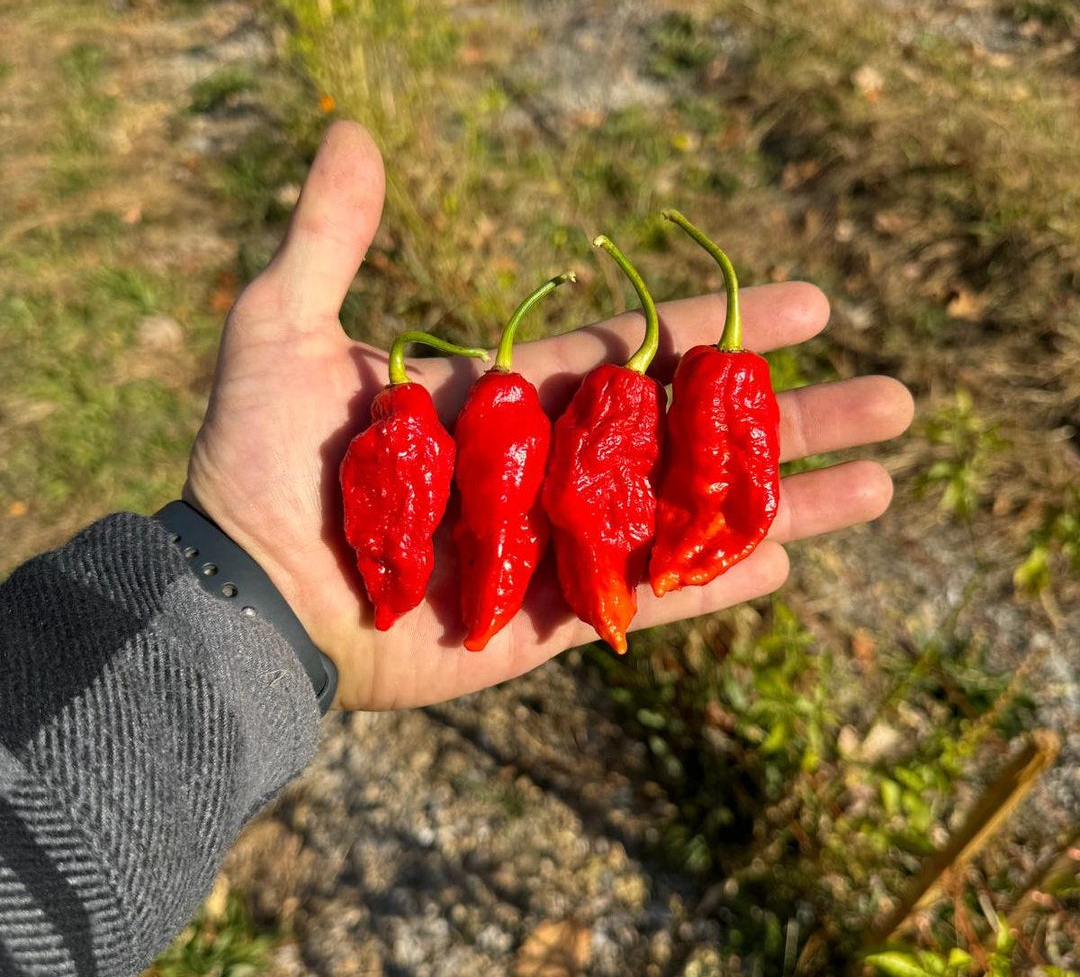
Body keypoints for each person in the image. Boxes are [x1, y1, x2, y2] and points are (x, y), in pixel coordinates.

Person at [0, 121, 914, 976]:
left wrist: (235, 580)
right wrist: (253, 566)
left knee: (600, 494)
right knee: (549, 508)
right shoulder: (473, 415)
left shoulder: (622, 398)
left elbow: (634, 496)